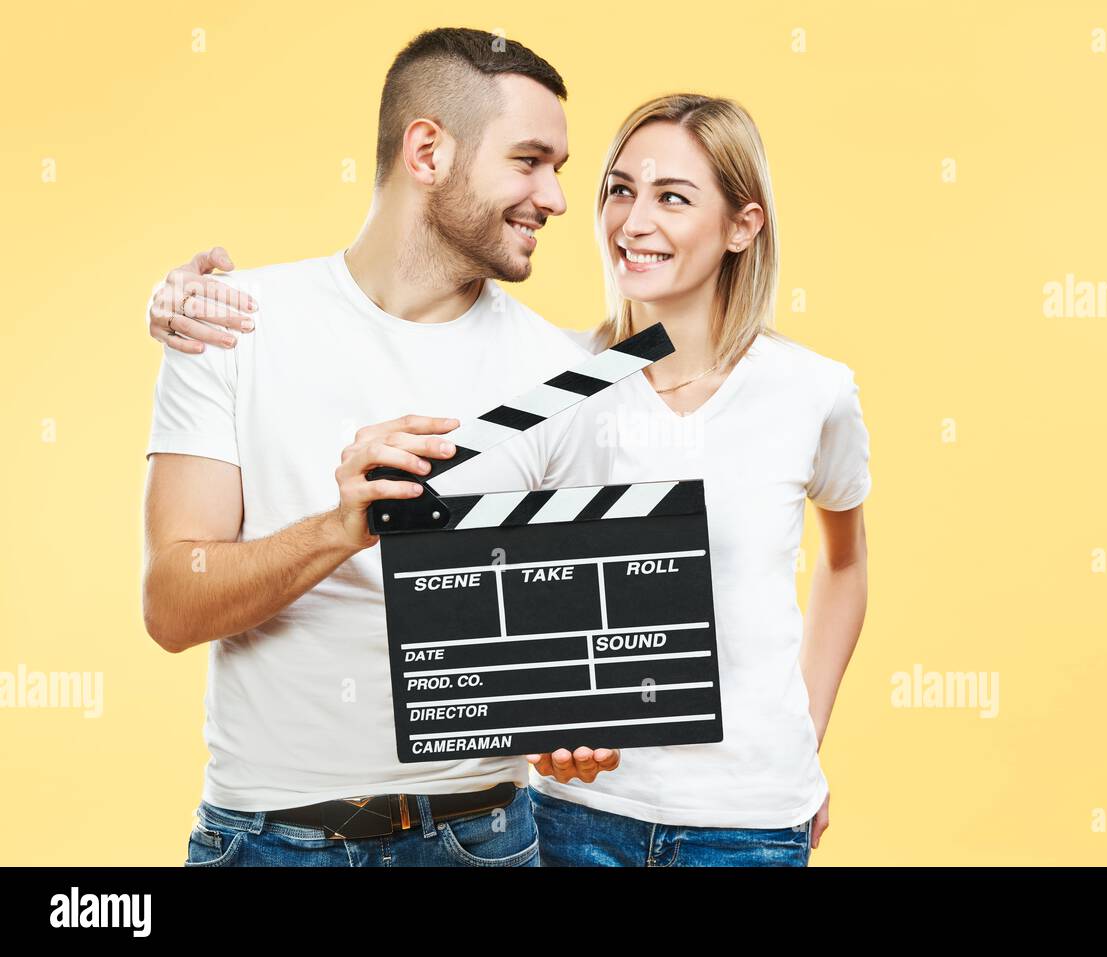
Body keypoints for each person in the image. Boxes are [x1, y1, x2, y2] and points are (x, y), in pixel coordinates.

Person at [149, 93, 871, 867]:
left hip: (750, 811)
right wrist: (178, 300)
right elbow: (520, 605)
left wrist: (804, 739)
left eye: (672, 197)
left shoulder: (812, 390)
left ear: (743, 225)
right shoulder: (552, 378)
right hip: (571, 811)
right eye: (618, 190)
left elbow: (845, 561)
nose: (632, 221)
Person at [141, 27, 619, 868]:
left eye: (561, 169)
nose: (556, 198)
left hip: (480, 833)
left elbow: (567, 650)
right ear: (428, 150)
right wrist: (338, 528)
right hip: (265, 833)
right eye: (530, 161)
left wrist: (573, 725)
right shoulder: (231, 320)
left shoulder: (564, 374)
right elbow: (173, 605)